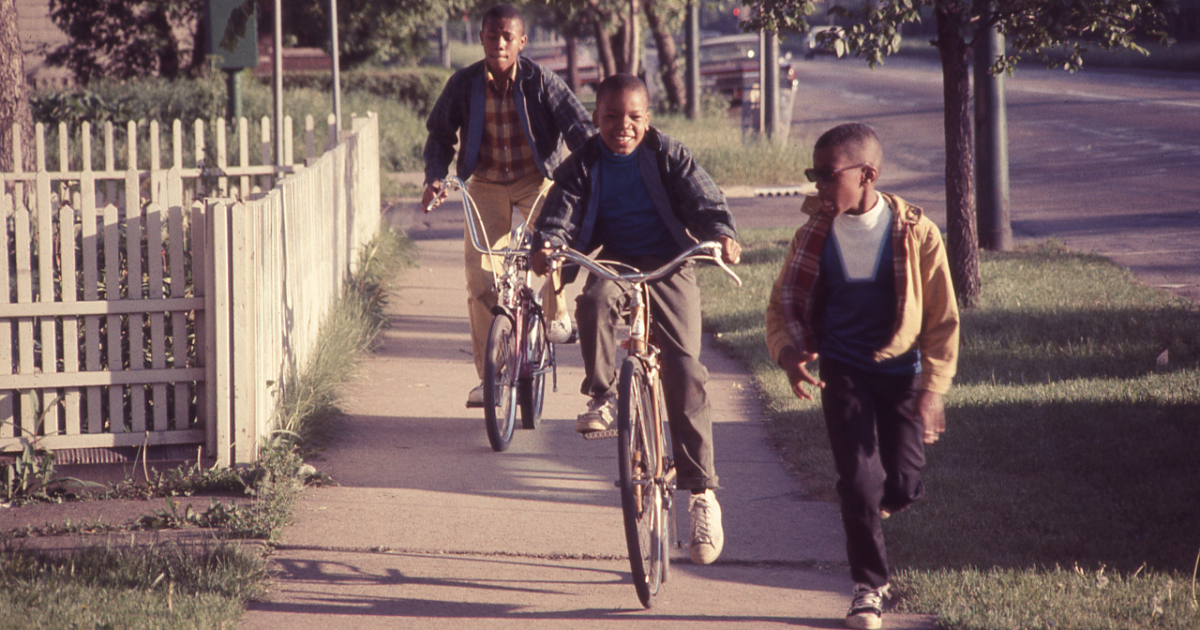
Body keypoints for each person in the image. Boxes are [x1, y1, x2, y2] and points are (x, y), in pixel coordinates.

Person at [531, 73, 741, 565]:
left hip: (671, 260)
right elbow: (560, 213)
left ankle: (701, 493)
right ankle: (603, 395)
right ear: (595, 119)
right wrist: (551, 245)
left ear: (647, 119)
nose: (621, 127)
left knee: (687, 370)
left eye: (633, 117)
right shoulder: (582, 164)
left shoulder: (670, 154)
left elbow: (705, 200)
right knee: (593, 303)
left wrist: (721, 232)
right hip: (616, 259)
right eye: (610, 117)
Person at [765, 123, 960, 630]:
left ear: (868, 175)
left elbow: (941, 320)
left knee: (902, 483)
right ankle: (868, 589)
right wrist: (790, 356)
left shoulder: (916, 232)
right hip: (843, 370)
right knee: (857, 478)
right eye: (814, 177)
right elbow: (780, 304)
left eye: (828, 176)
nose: (820, 189)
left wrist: (933, 388)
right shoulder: (814, 233)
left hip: (900, 372)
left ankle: (882, 502)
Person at [422, 4, 594, 408]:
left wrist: (589, 180)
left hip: (537, 179)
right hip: (484, 183)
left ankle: (555, 316)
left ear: (521, 41)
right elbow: (440, 135)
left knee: (548, 247)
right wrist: (434, 175)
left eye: (507, 36)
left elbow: (581, 132)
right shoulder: (464, 84)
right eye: (491, 35)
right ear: (481, 38)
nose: (499, 43)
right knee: (481, 277)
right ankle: (490, 378)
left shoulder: (542, 82)